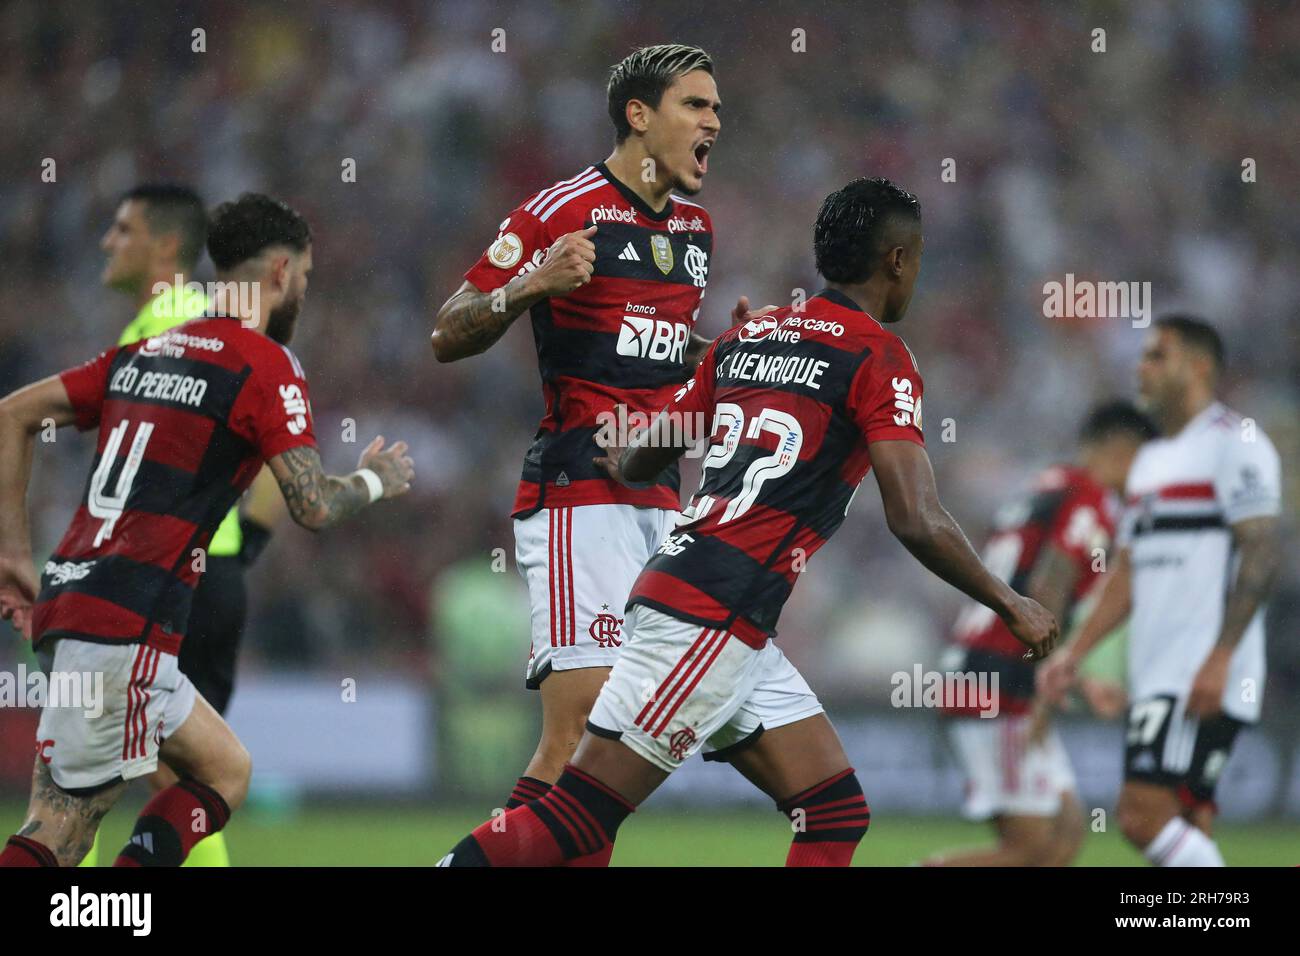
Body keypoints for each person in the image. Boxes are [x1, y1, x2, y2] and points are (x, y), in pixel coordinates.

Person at [437, 177, 1058, 867]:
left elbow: (643, 458)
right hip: (713, 612)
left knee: (833, 811)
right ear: (897, 261)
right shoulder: (878, 357)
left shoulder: (748, 335)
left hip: (703, 595)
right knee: (580, 817)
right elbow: (915, 517)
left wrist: (653, 431)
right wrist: (1009, 601)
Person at [0, 193, 414, 867]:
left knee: (224, 769)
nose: (304, 293)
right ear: (280, 273)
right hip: (127, 623)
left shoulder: (144, 350)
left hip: (72, 602)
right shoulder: (265, 364)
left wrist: (14, 555)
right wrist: (373, 481)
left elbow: (12, 414)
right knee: (61, 831)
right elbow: (312, 504)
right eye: (305, 278)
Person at [430, 44, 754, 858]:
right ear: (639, 116)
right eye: (696, 105)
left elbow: (661, 352)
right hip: (580, 496)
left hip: (660, 500)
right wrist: (530, 285)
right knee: (579, 731)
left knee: (619, 743)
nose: (714, 122)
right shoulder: (560, 210)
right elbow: (447, 331)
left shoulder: (696, 230)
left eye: (717, 108)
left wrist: (728, 356)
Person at [87, 182, 283, 867]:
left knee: (106, 763)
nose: (107, 242)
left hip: (172, 578)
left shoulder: (176, 325)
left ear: (166, 244)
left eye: (122, 229)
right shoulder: (181, 322)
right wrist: (245, 545)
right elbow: (280, 428)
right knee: (171, 772)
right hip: (200, 575)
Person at [1040, 316, 1282, 867]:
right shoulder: (1151, 462)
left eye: (1156, 356)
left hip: (1199, 671)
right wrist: (1074, 653)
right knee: (1187, 820)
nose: (1141, 367)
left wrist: (1220, 658)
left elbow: (1262, 552)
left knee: (1139, 816)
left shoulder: (1235, 444)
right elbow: (1128, 572)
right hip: (1159, 672)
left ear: (1198, 366)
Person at [925, 401, 1157, 866]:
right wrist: (1046, 695)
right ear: (1124, 450)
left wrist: (1076, 678)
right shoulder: (1089, 496)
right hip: (1000, 682)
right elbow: (1049, 586)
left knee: (1066, 833)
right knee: (1029, 848)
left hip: (985, 667)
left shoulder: (1046, 485)